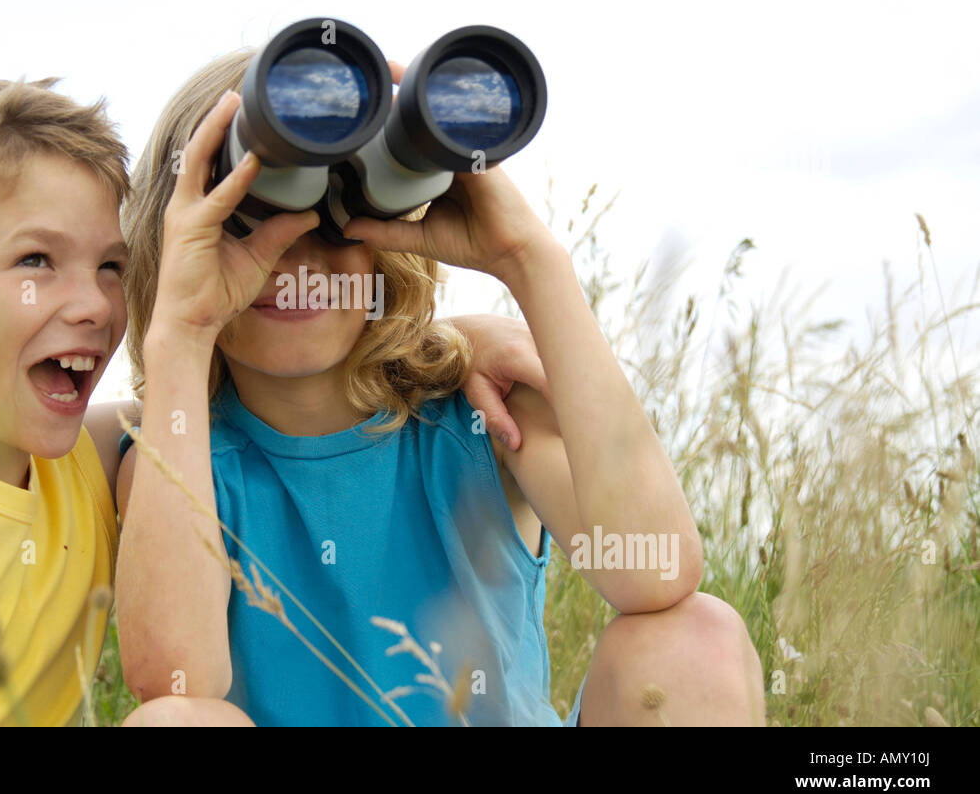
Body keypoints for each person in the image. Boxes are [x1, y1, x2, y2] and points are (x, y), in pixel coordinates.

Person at [0, 71, 548, 726]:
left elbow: (254, 402)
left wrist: (445, 337)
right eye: (34, 262)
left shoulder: (84, 462)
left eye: (107, 266)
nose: (95, 303)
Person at [114, 49, 767, 726]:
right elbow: (173, 677)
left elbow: (655, 569)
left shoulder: (485, 410)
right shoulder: (179, 459)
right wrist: (182, 334)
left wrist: (530, 262)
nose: (297, 258)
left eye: (336, 214)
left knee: (699, 639)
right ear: (176, 245)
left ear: (387, 228)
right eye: (249, 217)